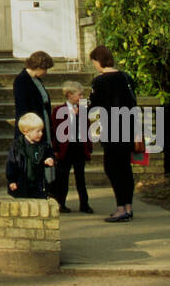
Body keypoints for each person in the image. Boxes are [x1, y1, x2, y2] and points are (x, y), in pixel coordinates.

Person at [88, 45, 139, 222]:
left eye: (94, 61)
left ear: (98, 61)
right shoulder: (126, 77)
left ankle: (120, 208)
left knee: (112, 168)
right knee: (125, 168)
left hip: (111, 128)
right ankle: (129, 206)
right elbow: (133, 103)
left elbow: (93, 107)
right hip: (128, 126)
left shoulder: (99, 82)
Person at [49, 80, 93, 213]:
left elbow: (87, 129)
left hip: (79, 146)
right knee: (62, 178)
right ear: (69, 95)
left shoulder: (83, 110)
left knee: (81, 178)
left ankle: (84, 204)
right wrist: (55, 149)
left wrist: (89, 146)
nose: (81, 98)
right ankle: (60, 203)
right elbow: (54, 131)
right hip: (65, 148)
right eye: (79, 95)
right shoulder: (59, 110)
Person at [6, 112, 55, 199]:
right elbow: (11, 164)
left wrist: (49, 159)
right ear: (26, 132)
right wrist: (12, 180)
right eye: (38, 131)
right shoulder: (17, 146)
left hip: (38, 184)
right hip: (21, 184)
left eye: (41, 130)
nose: (41, 134)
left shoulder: (43, 146)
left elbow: (49, 153)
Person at [13, 50, 55, 139]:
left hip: (41, 121)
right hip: (31, 126)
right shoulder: (22, 80)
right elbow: (23, 107)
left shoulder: (37, 80)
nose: (46, 72)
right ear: (38, 67)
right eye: (45, 69)